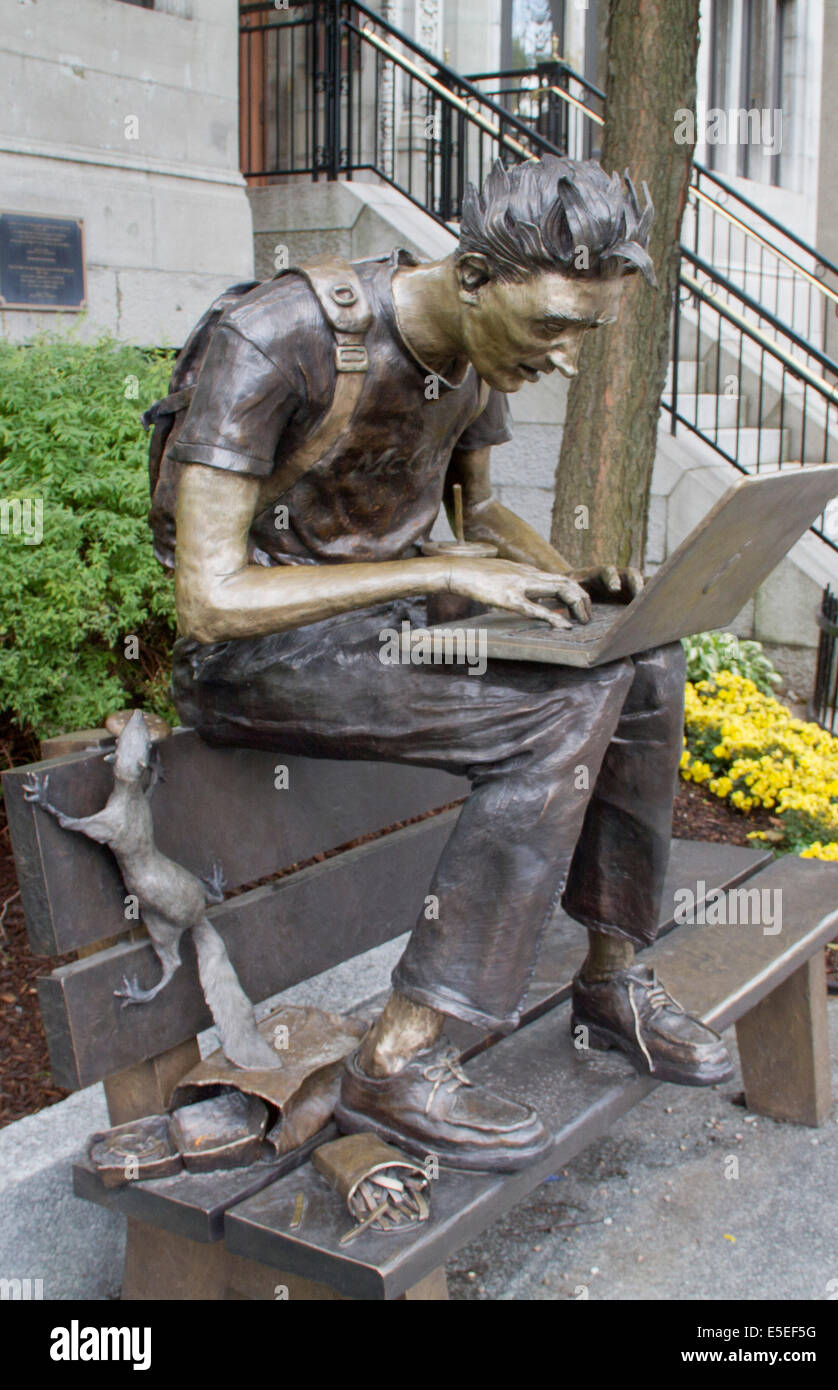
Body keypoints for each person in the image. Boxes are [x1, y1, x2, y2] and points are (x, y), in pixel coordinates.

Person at [163, 155, 733, 1173]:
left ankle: (610, 978)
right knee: (553, 712)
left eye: (584, 335)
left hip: (390, 632)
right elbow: (211, 596)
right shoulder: (278, 337)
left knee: (637, 658)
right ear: (472, 274)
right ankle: (400, 1051)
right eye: (549, 327)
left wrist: (568, 582)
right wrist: (435, 569)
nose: (561, 358)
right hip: (252, 656)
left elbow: (481, 518)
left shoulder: (477, 360)